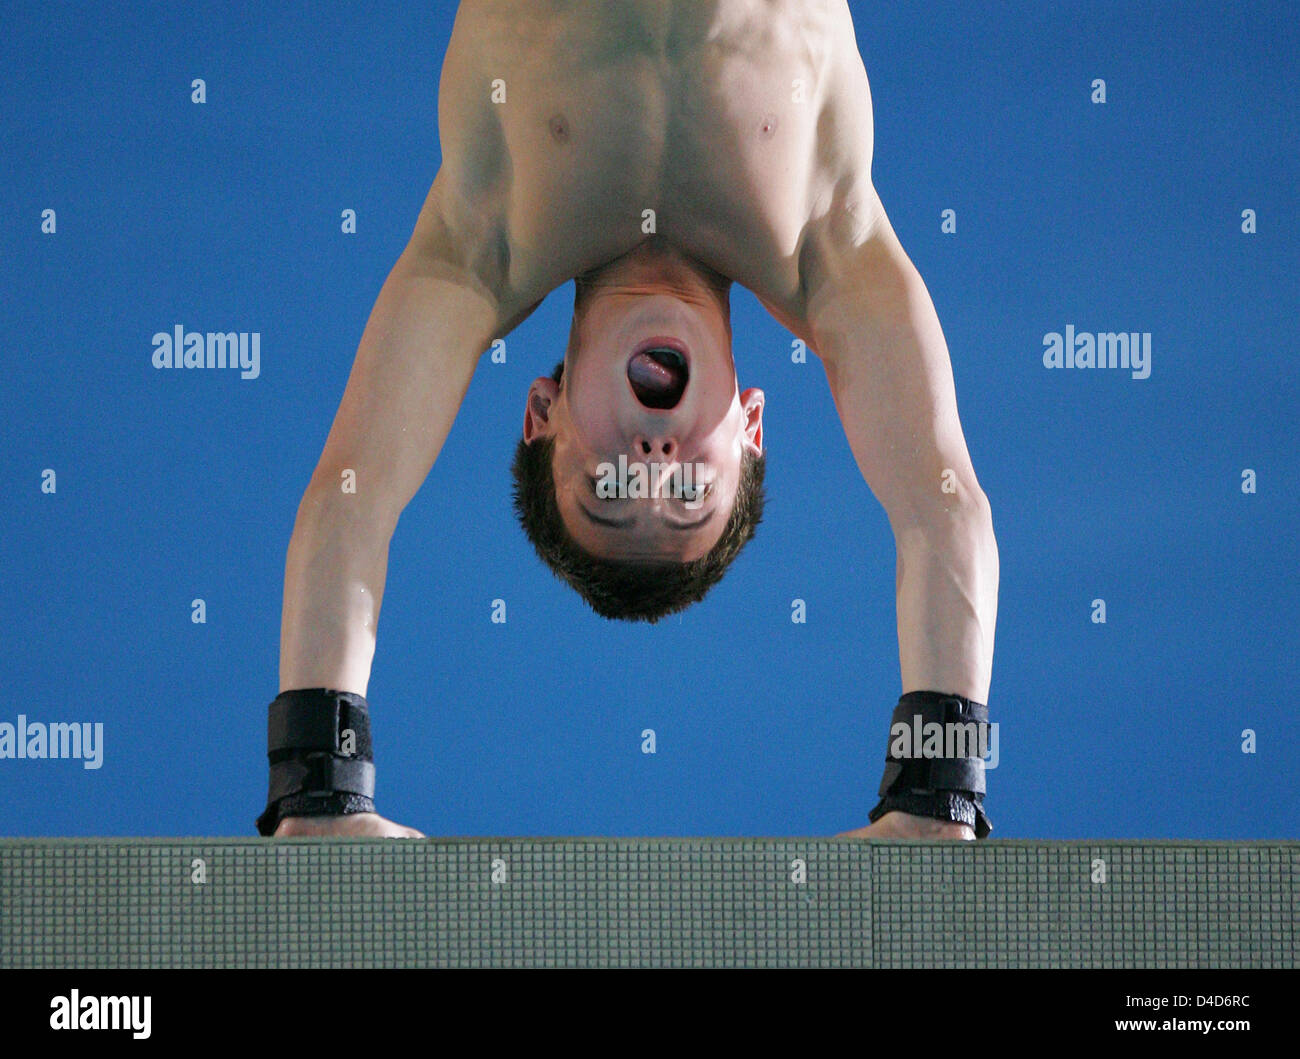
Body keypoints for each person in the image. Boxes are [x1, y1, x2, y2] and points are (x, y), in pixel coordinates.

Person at [258, 0, 999, 842]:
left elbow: (352, 494)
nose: (653, 455)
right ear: (750, 427)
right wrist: (936, 796)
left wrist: (317, 796)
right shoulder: (826, 245)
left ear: (544, 411)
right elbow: (943, 503)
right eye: (686, 487)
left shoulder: (483, 246)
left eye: (614, 485)